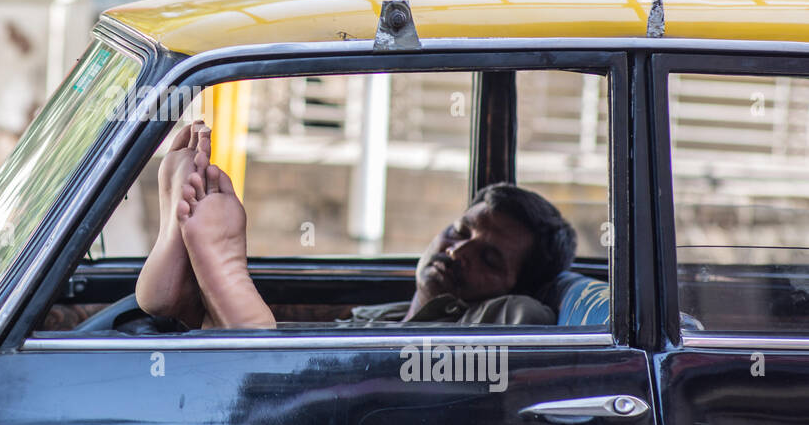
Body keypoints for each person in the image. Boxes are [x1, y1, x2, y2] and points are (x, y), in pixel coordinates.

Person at [135, 121, 576, 330]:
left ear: (516, 285)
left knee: (269, 357)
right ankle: (191, 298)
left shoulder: (512, 315)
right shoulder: (380, 317)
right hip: (350, 351)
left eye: (490, 258)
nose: (458, 253)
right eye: (461, 232)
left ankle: (239, 314)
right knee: (208, 327)